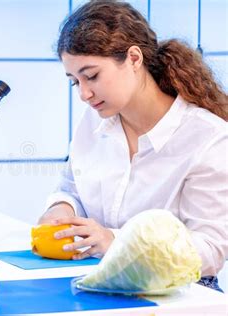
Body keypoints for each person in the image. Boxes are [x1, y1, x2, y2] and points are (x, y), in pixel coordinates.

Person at [39, 0, 227, 292]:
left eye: (91, 76)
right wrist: (60, 211)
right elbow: (71, 188)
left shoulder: (208, 137)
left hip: (181, 294)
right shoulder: (94, 121)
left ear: (134, 59)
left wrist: (115, 242)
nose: (84, 94)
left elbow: (210, 249)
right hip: (102, 283)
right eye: (74, 82)